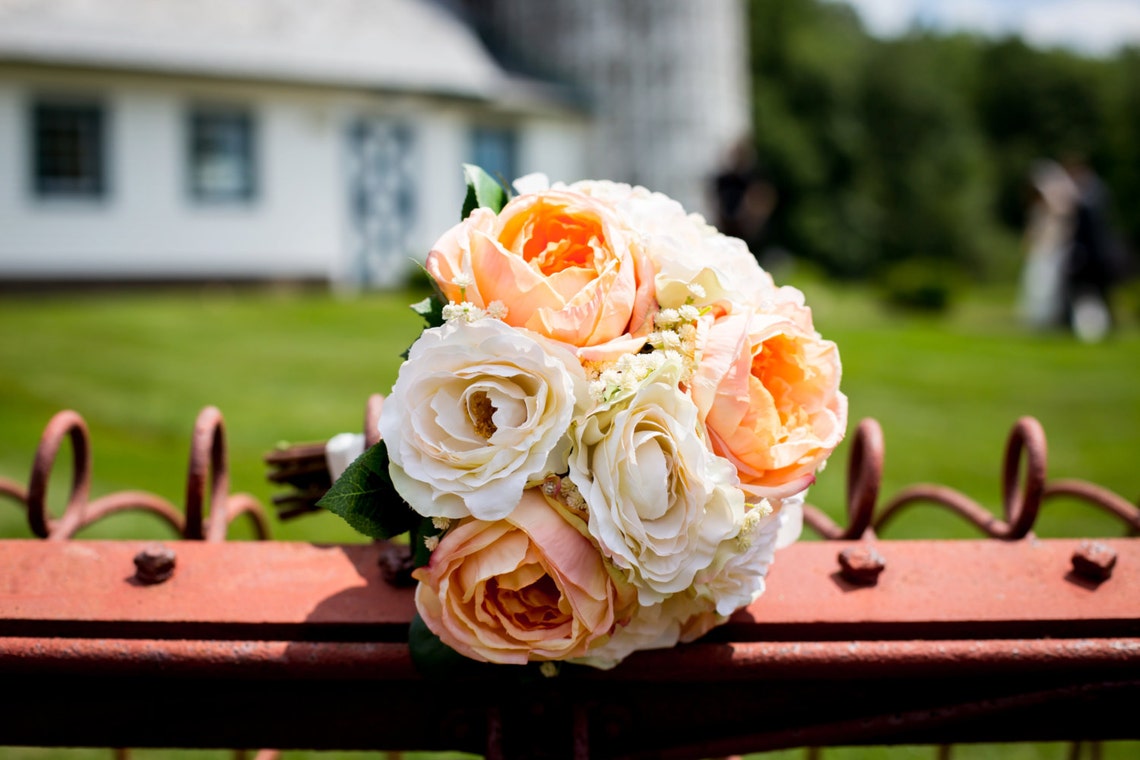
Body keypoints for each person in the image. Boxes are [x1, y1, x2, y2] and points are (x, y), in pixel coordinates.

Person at [1062, 156, 1124, 342]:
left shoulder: (1089, 197)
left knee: (1093, 291)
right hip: (1095, 253)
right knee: (1096, 292)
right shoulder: (1097, 191)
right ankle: (1078, 323)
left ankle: (1086, 323)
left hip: (1092, 254)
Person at [1018, 160, 1076, 331]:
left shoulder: (1057, 209)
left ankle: (1048, 318)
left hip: (1051, 250)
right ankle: (1036, 318)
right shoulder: (1037, 208)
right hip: (1039, 250)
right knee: (1035, 284)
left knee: (1047, 285)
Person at [712, 137, 777, 260]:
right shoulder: (725, 178)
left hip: (746, 226)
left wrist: (751, 216)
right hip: (727, 222)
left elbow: (763, 196)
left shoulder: (753, 177)